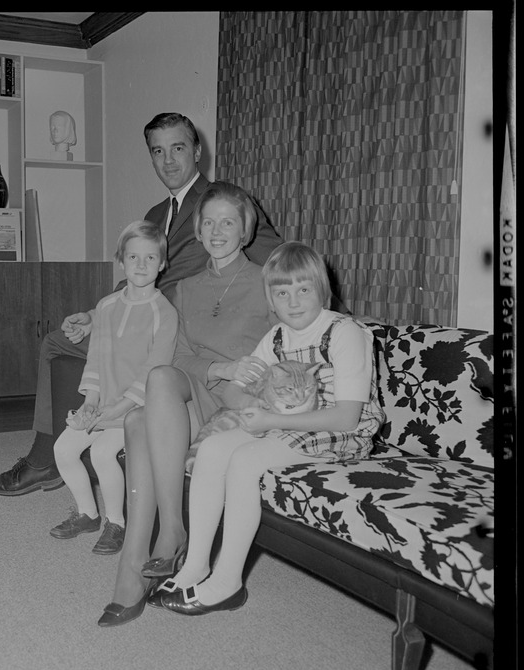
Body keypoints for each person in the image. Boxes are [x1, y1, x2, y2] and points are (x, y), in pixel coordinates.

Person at [0, 112, 286, 497]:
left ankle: (44, 460)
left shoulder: (222, 203)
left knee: (68, 348)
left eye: (178, 148)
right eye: (158, 152)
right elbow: (137, 277)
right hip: (137, 314)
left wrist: (321, 319)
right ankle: (60, 453)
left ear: (197, 151)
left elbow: (280, 259)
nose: (169, 161)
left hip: (173, 329)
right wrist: (96, 316)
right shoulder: (156, 215)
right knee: (58, 341)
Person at [158, 242, 385, 616]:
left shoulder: (345, 332)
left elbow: (346, 417)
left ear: (322, 290)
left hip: (339, 430)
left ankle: (228, 582)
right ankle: (195, 565)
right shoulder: (277, 337)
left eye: (303, 290)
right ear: (271, 300)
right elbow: (234, 388)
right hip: (285, 422)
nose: (293, 302)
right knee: (214, 449)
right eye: (282, 293)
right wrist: (250, 405)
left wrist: (271, 421)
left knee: (246, 461)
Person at [97, 180, 279, 626]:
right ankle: (172, 530)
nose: (217, 231)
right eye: (209, 222)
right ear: (197, 231)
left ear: (246, 230)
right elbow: (175, 357)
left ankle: (133, 568)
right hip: (200, 394)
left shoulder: (267, 282)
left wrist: (250, 374)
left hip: (238, 406)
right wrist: (220, 369)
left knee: (140, 420)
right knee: (159, 378)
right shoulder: (184, 289)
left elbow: (289, 345)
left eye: (228, 222)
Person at [49, 220, 178, 556]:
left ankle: (116, 522)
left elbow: (155, 369)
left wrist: (117, 409)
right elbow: (95, 359)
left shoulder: (164, 312)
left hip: (135, 410)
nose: (141, 265)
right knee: (63, 449)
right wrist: (90, 403)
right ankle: (87, 514)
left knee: (103, 452)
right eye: (133, 257)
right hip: (102, 403)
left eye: (150, 258)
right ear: (121, 261)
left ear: (162, 263)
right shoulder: (106, 307)